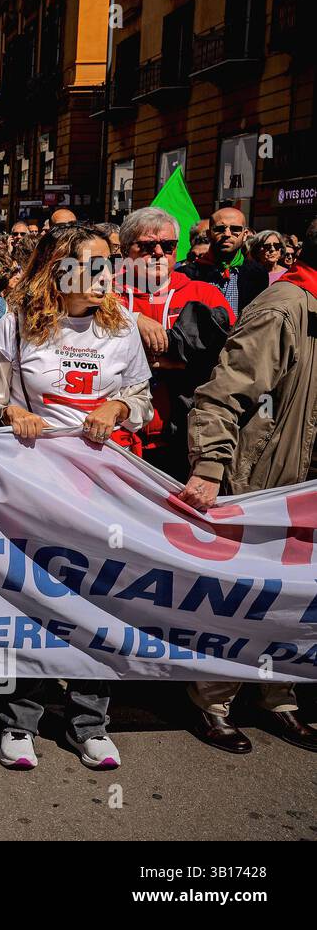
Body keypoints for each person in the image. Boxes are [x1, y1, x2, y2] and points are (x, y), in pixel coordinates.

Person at [0, 224, 153, 771]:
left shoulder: (121, 325)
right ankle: (19, 720)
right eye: (96, 264)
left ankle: (89, 722)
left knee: (97, 602)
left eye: (111, 264)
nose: (109, 275)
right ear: (60, 268)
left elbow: (143, 396)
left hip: (105, 488)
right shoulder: (16, 326)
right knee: (34, 600)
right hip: (36, 486)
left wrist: (117, 409)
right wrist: (14, 412)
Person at [176, 217, 317, 755]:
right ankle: (213, 702)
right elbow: (223, 392)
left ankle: (281, 698)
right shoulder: (284, 307)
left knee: (298, 600)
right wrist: (209, 467)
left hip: (307, 485)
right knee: (245, 598)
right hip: (268, 481)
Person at [114, 207, 235, 481]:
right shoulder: (105, 295)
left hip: (183, 438)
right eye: (147, 245)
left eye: (168, 246)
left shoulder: (204, 293)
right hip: (116, 437)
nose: (159, 253)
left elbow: (224, 359)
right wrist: (132, 318)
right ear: (124, 251)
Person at [181, 207, 269, 316]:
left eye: (235, 229)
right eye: (220, 229)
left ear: (245, 234)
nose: (227, 234)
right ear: (209, 234)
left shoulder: (257, 273)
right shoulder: (188, 274)